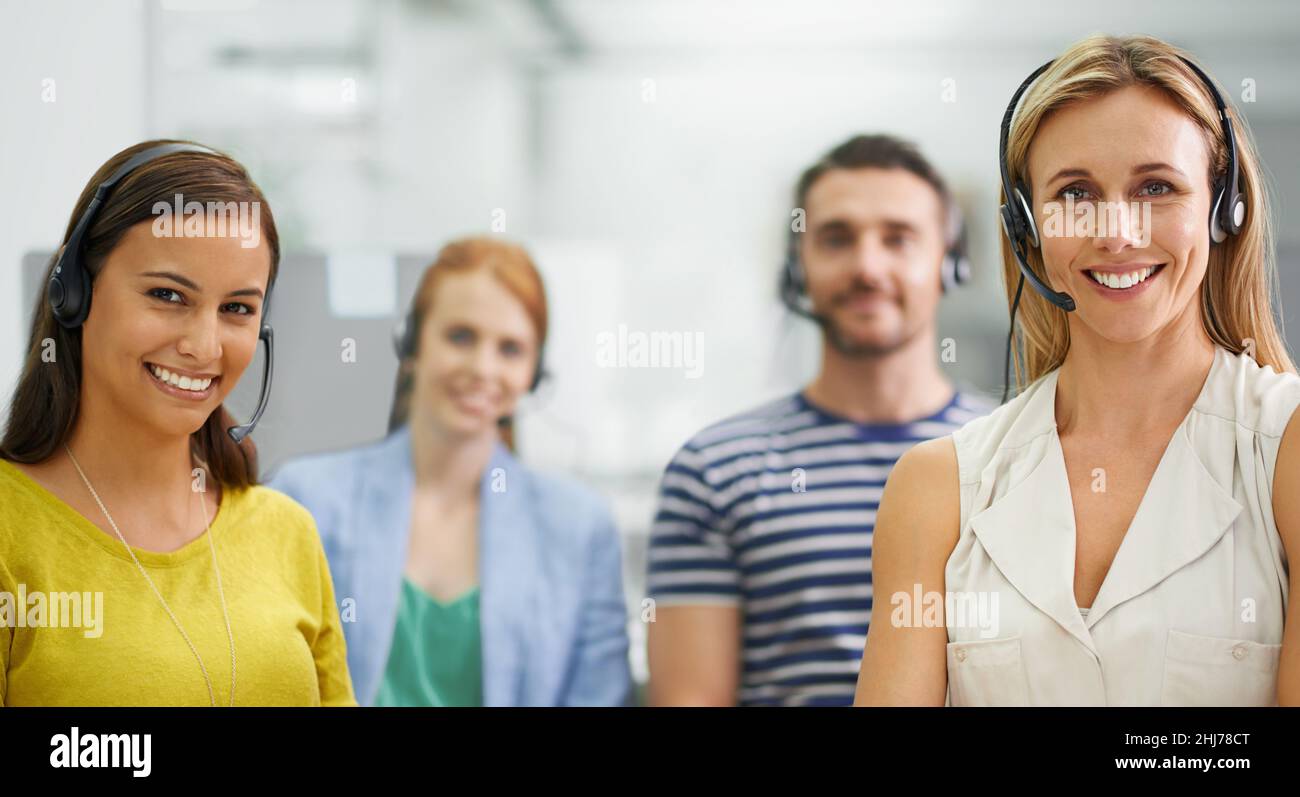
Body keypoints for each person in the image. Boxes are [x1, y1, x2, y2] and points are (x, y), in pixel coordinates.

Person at [855, 34, 1300, 706]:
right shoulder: (938, 488)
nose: (1116, 231)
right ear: (1027, 226)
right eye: (1075, 192)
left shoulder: (1285, 449)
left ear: (1222, 208)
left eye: (1156, 186)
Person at [0, 140, 355, 706]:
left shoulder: (287, 532)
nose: (203, 346)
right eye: (167, 295)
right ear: (76, 294)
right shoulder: (10, 530)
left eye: (237, 308)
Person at [646, 134, 992, 706]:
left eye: (899, 238)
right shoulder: (711, 470)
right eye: (836, 239)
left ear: (949, 264)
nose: (867, 266)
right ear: (797, 267)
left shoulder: (1016, 453)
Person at [268, 236, 633, 706]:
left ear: (534, 373)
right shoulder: (307, 499)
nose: (483, 367)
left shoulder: (580, 527)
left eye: (511, 349)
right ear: (413, 343)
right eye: (461, 336)